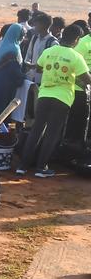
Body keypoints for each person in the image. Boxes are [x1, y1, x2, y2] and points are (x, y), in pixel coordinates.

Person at [17, 25, 91, 178]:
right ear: (76, 40)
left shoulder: (49, 51)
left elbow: (38, 68)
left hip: (44, 95)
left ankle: (22, 166)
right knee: (52, 134)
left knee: (36, 130)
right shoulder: (76, 57)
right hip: (62, 98)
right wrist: (72, 77)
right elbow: (87, 79)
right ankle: (41, 167)